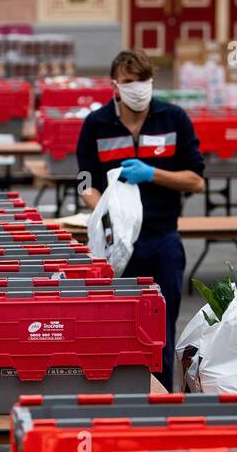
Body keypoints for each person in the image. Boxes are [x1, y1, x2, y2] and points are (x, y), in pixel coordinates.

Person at [75, 48, 205, 389]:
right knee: (113, 330)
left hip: (162, 240)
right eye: (130, 82)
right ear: (115, 86)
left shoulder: (173, 119)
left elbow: (196, 180)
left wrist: (153, 174)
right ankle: (116, 402)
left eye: (144, 81)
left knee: (159, 332)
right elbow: (84, 181)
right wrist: (106, 210)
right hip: (117, 246)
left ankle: (161, 403)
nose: (138, 88)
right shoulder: (96, 124)